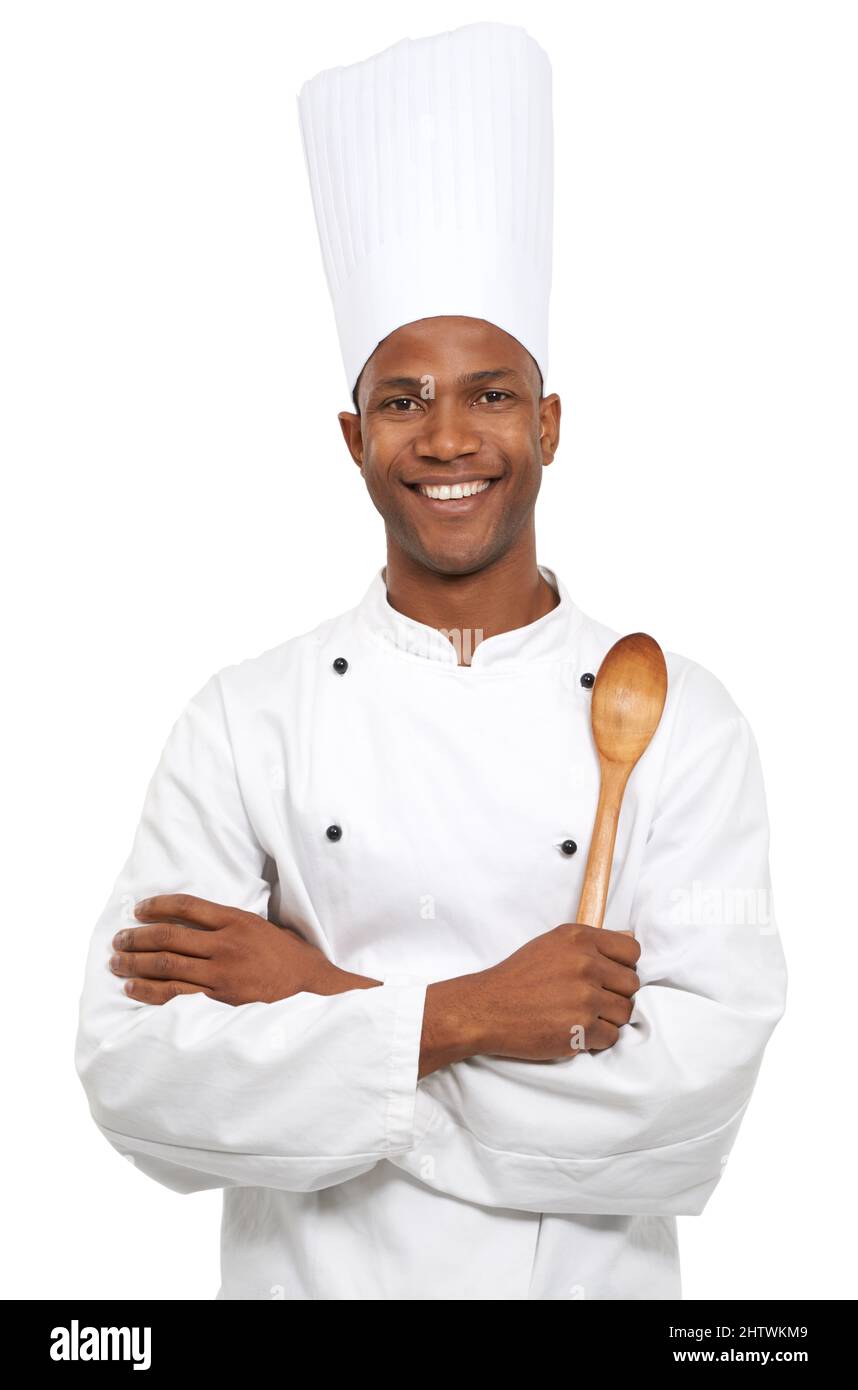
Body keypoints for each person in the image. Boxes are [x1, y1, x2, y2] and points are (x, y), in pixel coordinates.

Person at [74, 21, 787, 1301]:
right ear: (353, 437)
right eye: (403, 398)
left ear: (550, 423)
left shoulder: (682, 720)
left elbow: (688, 1112)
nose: (448, 437)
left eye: (491, 392)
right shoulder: (246, 721)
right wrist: (472, 1014)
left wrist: (321, 1000)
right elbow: (139, 1082)